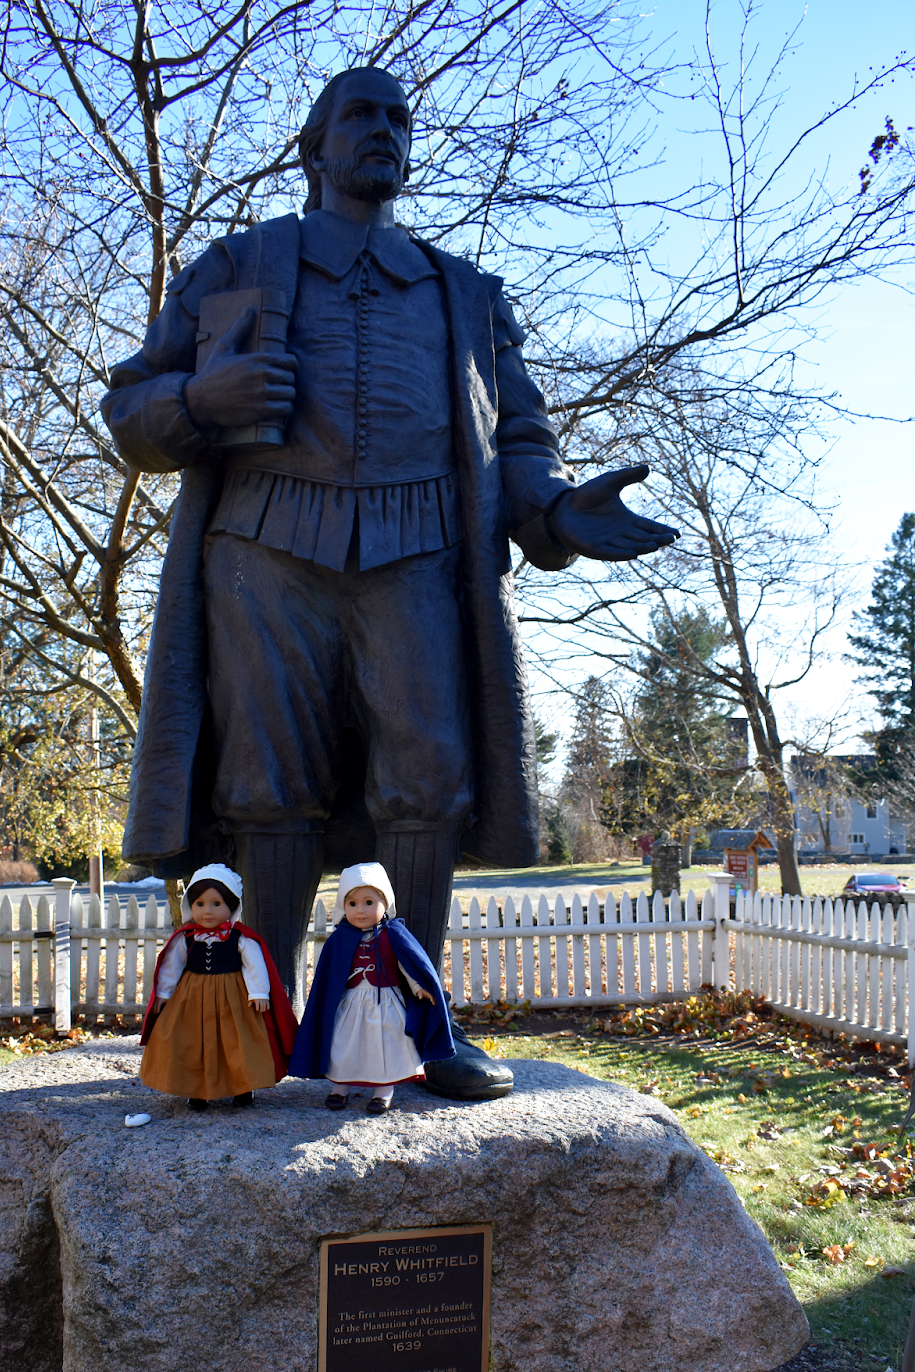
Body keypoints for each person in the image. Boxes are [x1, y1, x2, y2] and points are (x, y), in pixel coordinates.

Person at [103, 66, 677, 1101]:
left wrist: (550, 511)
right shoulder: (238, 263)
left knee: (429, 774)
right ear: (313, 147)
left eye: (398, 120)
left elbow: (520, 438)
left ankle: (417, 1024)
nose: (384, 132)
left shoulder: (463, 293)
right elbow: (132, 409)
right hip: (264, 546)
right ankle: (255, 1033)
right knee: (264, 786)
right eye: (361, 116)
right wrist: (198, 393)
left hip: (417, 549)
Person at [288, 863, 453, 1114]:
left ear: (385, 903)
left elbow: (408, 964)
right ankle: (340, 1087)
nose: (361, 911)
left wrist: (419, 987)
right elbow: (329, 977)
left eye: (369, 902)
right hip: (350, 1001)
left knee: (387, 1043)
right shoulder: (339, 938)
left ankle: (383, 1091)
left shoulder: (393, 934)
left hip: (386, 1001)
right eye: (352, 904)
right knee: (343, 1043)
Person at [140, 864, 297, 1109]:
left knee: (237, 1042)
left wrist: (258, 992)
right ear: (190, 907)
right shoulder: (187, 937)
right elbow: (172, 965)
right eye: (200, 904)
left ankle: (243, 1087)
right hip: (192, 997)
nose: (207, 911)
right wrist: (163, 993)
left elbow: (254, 965)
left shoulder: (240, 937)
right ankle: (197, 1089)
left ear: (231, 907)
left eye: (216, 903)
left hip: (233, 998)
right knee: (193, 1041)